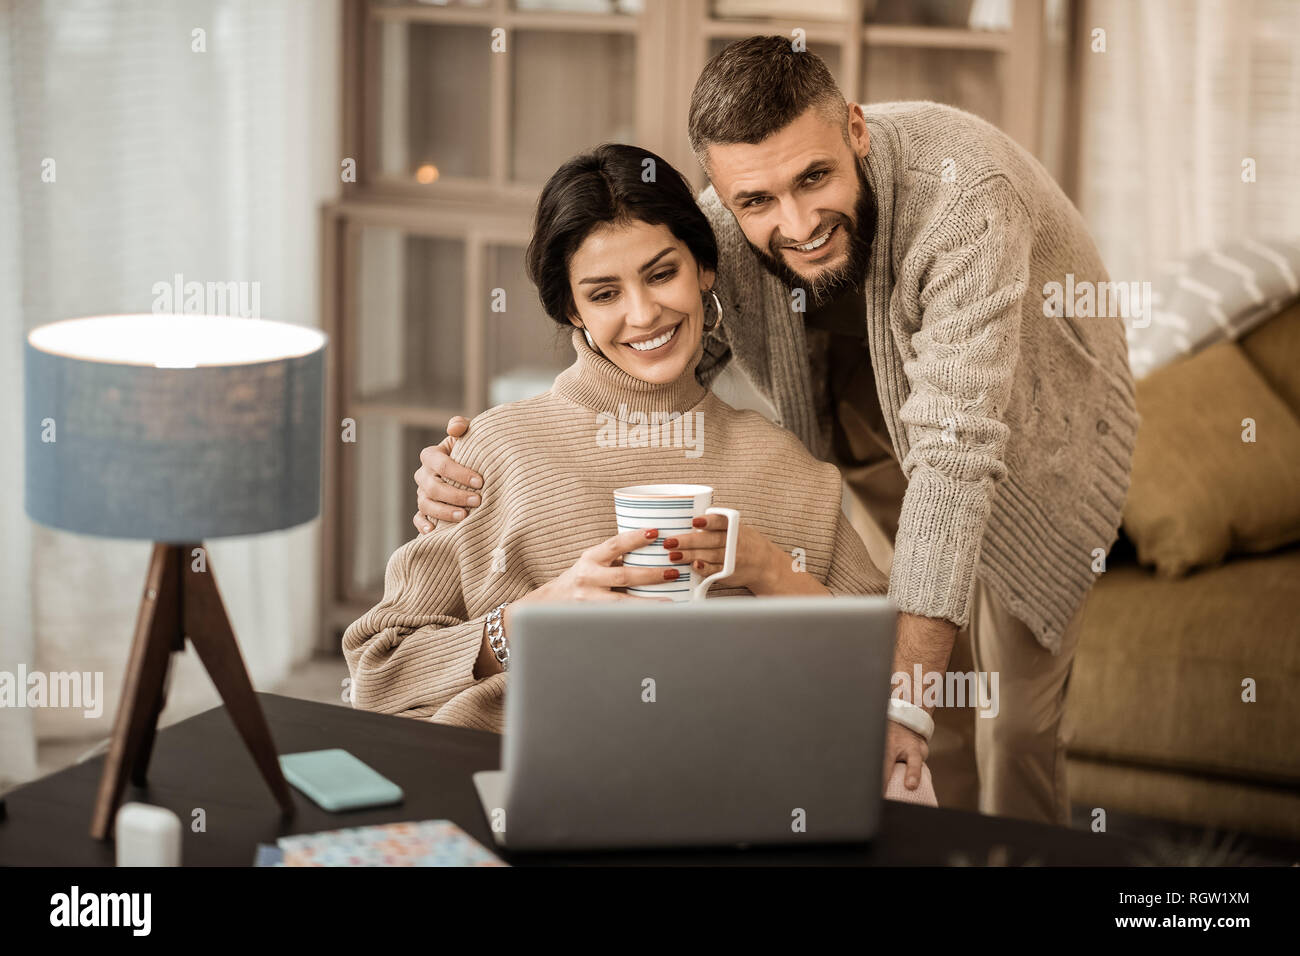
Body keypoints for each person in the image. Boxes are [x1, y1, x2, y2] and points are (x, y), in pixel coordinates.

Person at [412, 37, 1137, 826]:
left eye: (814, 178)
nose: (795, 222)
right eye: (756, 200)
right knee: (941, 708)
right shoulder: (723, 232)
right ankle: (949, 848)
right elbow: (655, 355)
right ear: (721, 193)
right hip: (881, 444)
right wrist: (483, 454)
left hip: (1034, 450)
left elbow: (956, 457)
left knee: (1016, 726)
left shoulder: (966, 196)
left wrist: (905, 705)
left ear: (855, 130)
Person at [344, 143, 936, 802]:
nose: (644, 314)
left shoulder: (788, 469)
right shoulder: (490, 453)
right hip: (527, 794)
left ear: (704, 269)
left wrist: (767, 568)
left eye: (661, 274)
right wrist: (526, 622)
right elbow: (378, 673)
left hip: (738, 800)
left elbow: (885, 672)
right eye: (604, 293)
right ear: (572, 310)